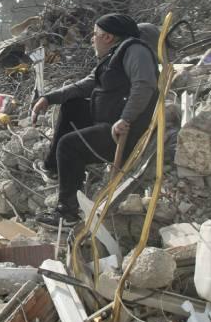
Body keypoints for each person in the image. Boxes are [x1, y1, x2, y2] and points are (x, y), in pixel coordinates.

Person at [31, 13, 158, 223]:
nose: (92, 39)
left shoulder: (135, 50)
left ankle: (67, 212)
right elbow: (87, 83)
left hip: (123, 134)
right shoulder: (114, 55)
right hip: (109, 123)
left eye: (95, 34)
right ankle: (55, 168)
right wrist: (49, 98)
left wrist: (125, 119)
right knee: (72, 106)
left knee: (69, 145)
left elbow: (144, 85)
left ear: (108, 37)